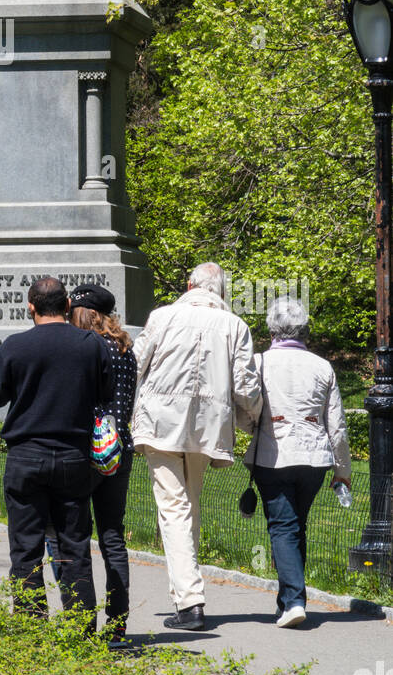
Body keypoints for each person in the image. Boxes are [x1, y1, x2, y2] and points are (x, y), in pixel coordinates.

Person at [132, 261, 262, 631]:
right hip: (207, 427)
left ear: (190, 285)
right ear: (220, 291)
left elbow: (136, 363)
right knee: (188, 505)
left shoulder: (162, 316)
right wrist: (253, 420)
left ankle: (190, 603)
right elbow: (246, 385)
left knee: (174, 508)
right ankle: (186, 596)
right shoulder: (235, 325)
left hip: (160, 422)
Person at [0, 275, 114, 625]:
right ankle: (81, 628)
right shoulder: (91, 344)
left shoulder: (15, 345)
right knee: (74, 546)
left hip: (26, 455)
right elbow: (106, 392)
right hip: (73, 456)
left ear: (30, 307)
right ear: (68, 305)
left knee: (25, 548)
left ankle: (31, 626)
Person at [245, 296, 351, 628]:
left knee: (282, 525)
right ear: (304, 329)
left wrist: (252, 428)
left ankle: (293, 601)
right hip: (314, 458)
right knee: (296, 525)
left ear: (272, 328)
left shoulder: (259, 362)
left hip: (273, 454)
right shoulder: (323, 366)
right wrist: (343, 471)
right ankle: (288, 600)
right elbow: (337, 425)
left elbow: (246, 408)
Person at [68, 284, 137, 649]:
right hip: (118, 446)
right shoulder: (126, 347)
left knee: (76, 537)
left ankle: (83, 621)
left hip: (85, 449)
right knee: (113, 537)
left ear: (83, 313)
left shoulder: (87, 348)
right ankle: (119, 623)